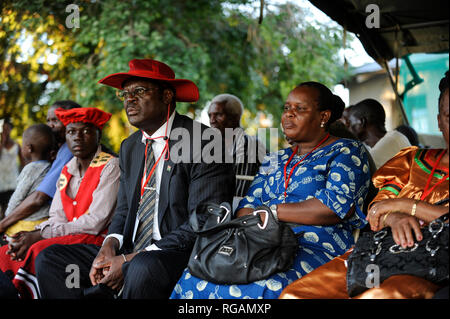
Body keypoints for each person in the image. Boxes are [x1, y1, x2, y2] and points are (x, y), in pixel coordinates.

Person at [35, 58, 234, 299]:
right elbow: (124, 208)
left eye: (139, 91)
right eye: (125, 94)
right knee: (51, 258)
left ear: (167, 96)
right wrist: (109, 246)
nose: (129, 99)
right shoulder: (130, 147)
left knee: (142, 267)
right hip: (130, 248)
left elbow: (204, 220)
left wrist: (130, 259)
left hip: (178, 252)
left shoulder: (203, 142)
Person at [170, 81, 371, 299]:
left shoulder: (347, 151)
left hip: (316, 246)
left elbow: (333, 207)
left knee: (269, 287)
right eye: (286, 108)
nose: (288, 115)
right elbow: (246, 208)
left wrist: (272, 212)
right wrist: (267, 216)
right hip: (261, 245)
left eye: (299, 109)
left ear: (323, 117)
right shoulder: (276, 158)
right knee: (193, 276)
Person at [279, 70, 449, 299]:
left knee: (382, 294)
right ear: (439, 120)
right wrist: (393, 217)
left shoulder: (348, 153)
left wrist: (407, 207)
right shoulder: (412, 160)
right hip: (380, 252)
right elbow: (377, 209)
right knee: (296, 294)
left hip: (431, 263)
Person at [0, 107, 119, 299]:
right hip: (70, 236)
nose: (78, 137)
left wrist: (40, 235)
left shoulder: (110, 166)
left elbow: (96, 222)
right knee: (5, 252)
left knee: (39, 249)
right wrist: (30, 235)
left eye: (86, 131)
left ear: (99, 135)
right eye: (71, 132)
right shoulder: (66, 170)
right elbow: (57, 217)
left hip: (97, 240)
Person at [0, 101, 81, 234]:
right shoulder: (59, 152)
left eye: (55, 120)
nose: (50, 126)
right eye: (48, 121)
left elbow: (39, 198)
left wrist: (4, 224)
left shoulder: (69, 150)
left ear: (71, 121)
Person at [0, 124, 56, 237]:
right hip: (44, 220)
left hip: (29, 222)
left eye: (23, 145)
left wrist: (7, 214)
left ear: (29, 148)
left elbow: (18, 196)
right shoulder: (51, 167)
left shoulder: (31, 169)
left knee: (7, 236)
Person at [208, 93, 266, 198]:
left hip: (244, 210)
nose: (212, 120)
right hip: (213, 210)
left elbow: (272, 181)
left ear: (235, 117)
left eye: (218, 115)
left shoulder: (254, 146)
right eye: (210, 115)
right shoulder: (209, 148)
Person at [346, 98, 411, 168]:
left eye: (349, 122)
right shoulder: (396, 136)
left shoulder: (387, 145)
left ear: (362, 122)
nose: (348, 128)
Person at [0, 117, 24, 220]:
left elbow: (22, 162)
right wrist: (2, 143)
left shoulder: (16, 145)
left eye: (7, 128)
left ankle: (4, 224)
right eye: (3, 129)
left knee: (8, 204)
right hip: (1, 178)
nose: (6, 131)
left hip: (12, 177)